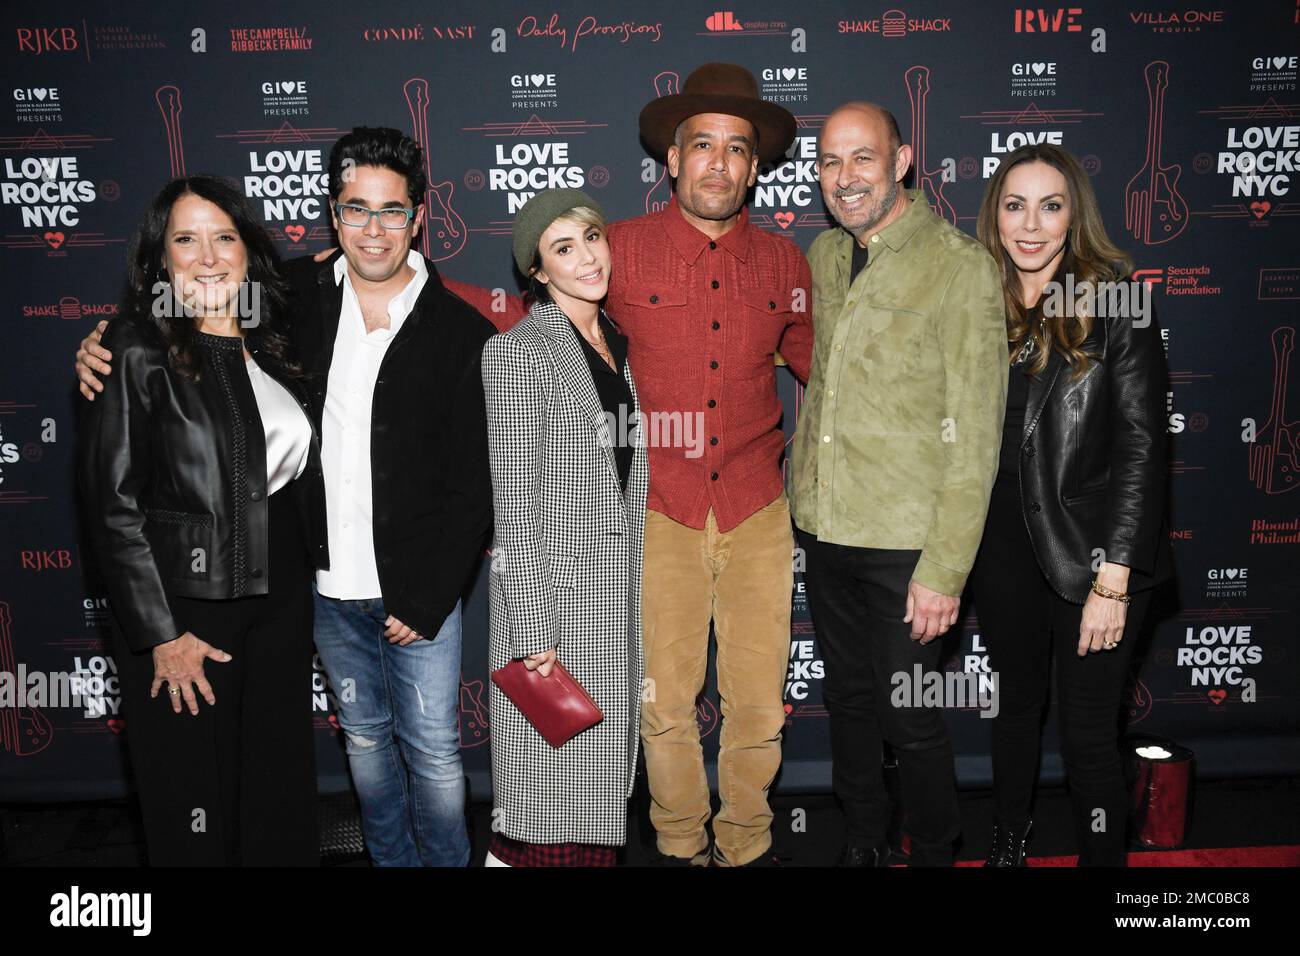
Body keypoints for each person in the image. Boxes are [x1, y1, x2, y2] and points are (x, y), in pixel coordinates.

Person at [75, 128, 495, 867]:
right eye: (356, 210)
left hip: (341, 600)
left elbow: (474, 482)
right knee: (351, 752)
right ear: (333, 219)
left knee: (414, 758)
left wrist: (430, 593)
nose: (374, 228)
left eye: (392, 211)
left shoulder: (454, 331)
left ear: (419, 217)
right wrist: (106, 340)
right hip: (290, 594)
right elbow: (117, 497)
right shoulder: (291, 301)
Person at [445, 63, 814, 867]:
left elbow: (826, 368)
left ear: (756, 167)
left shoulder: (789, 263)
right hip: (659, 514)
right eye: (702, 145)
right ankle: (680, 848)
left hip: (758, 508)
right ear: (672, 159)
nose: (719, 163)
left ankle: (746, 846)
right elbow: (543, 330)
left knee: (757, 707)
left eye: (737, 149)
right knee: (662, 707)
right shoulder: (621, 253)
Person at [77, 175, 327, 866]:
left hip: (279, 594)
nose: (209, 255)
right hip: (185, 602)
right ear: (161, 259)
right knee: (194, 799)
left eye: (225, 236)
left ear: (249, 250)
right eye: (186, 239)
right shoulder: (134, 345)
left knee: (275, 789)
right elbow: (111, 506)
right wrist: (160, 635)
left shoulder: (273, 336)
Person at [789, 102, 1009, 866]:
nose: (843, 178)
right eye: (828, 163)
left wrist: (945, 570)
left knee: (908, 714)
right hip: (823, 528)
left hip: (908, 548)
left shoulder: (960, 267)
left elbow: (976, 435)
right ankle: (863, 844)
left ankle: (938, 852)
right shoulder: (821, 256)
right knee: (847, 704)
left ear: (904, 160)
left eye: (862, 159)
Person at [970, 143, 1172, 867]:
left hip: (1094, 549)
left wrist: (1113, 580)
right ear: (994, 215)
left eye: (1050, 206)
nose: (1031, 224)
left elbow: (1144, 449)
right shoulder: (975, 300)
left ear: (1073, 215)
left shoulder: (1114, 301)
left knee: (1088, 732)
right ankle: (1008, 843)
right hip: (1000, 544)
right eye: (1014, 205)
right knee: (1015, 706)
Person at [480, 188, 648, 867]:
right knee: (552, 812)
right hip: (557, 614)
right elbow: (513, 505)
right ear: (538, 272)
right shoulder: (519, 354)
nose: (587, 258)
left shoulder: (615, 348)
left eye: (591, 237)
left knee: (591, 807)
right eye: (563, 248)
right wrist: (532, 633)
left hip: (612, 608)